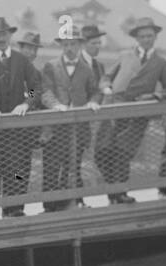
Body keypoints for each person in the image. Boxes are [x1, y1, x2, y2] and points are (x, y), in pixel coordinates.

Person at [94, 18, 166, 203]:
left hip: (138, 112)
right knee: (102, 151)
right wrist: (106, 87)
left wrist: (154, 96)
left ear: (155, 37)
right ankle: (113, 193)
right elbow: (107, 77)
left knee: (123, 152)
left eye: (150, 36)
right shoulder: (125, 56)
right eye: (143, 36)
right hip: (114, 108)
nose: (147, 39)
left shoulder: (160, 62)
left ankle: (120, 193)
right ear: (136, 38)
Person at [0, 17, 41, 219]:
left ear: (10, 35)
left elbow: (35, 88)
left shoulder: (21, 60)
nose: (0, 39)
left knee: (17, 168)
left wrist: (26, 104)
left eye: (3, 35)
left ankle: (14, 208)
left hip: (17, 128)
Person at [39, 32, 101, 212]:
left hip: (78, 128)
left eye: (73, 44)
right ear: (61, 46)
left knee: (72, 165)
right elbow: (43, 91)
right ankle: (50, 207)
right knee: (51, 166)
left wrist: (93, 101)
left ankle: (72, 203)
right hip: (55, 127)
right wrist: (55, 104)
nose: (69, 48)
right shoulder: (50, 66)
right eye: (66, 45)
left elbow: (95, 91)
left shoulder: (86, 68)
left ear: (80, 45)